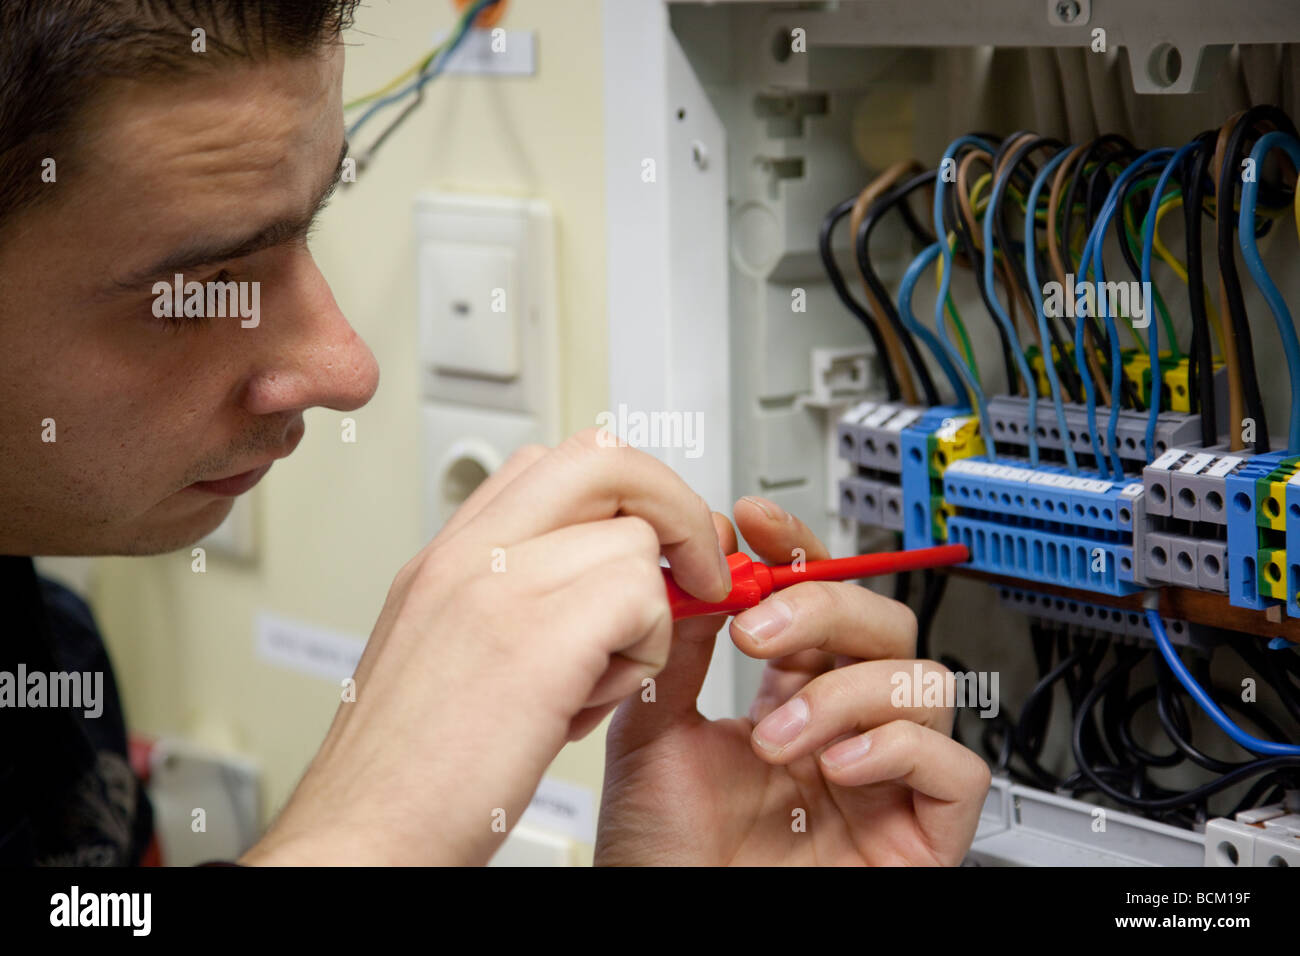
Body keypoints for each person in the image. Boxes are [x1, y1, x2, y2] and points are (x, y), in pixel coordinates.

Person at [0, 0, 990, 866]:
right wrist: (365, 833)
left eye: (310, 224)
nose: (349, 369)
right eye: (207, 284)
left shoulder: (53, 672)